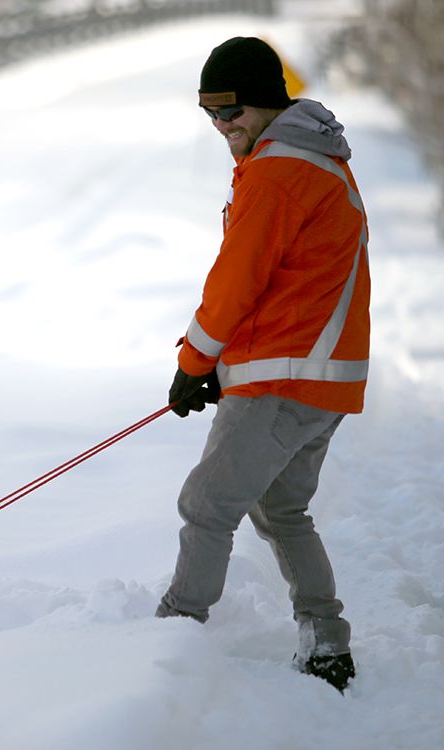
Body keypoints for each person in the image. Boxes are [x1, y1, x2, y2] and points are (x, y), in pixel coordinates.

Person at [156, 37, 370, 693]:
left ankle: (169, 640)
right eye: (209, 112)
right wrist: (229, 365)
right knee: (281, 512)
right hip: (320, 381)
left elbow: (236, 281)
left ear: (266, 101)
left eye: (231, 109)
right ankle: (326, 638)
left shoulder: (280, 171)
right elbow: (289, 283)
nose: (222, 124)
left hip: (285, 381)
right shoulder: (318, 158)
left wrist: (197, 361)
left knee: (206, 504)